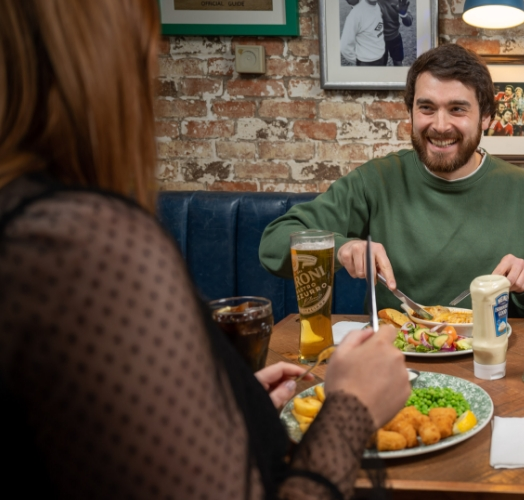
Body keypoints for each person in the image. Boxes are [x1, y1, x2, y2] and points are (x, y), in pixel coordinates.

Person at [0, 1, 411, 499]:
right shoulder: (75, 240)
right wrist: (351, 407)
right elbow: (279, 239)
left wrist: (236, 402)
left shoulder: (34, 221)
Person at [259, 44, 524, 316]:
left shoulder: (523, 190)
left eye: (457, 109)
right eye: (427, 108)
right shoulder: (376, 180)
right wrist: (341, 249)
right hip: (394, 360)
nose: (440, 126)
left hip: (490, 359)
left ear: (485, 117)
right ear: (411, 112)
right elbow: (274, 243)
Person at [339, 0, 387, 66]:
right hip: (367, 62)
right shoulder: (355, 14)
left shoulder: (377, 5)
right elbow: (344, 46)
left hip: (381, 57)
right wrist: (358, 62)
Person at [378, 0, 413, 66]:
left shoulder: (399, 1)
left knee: (398, 62)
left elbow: (409, 22)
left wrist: (403, 14)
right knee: (381, 65)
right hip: (379, 40)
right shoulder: (373, 2)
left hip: (395, 38)